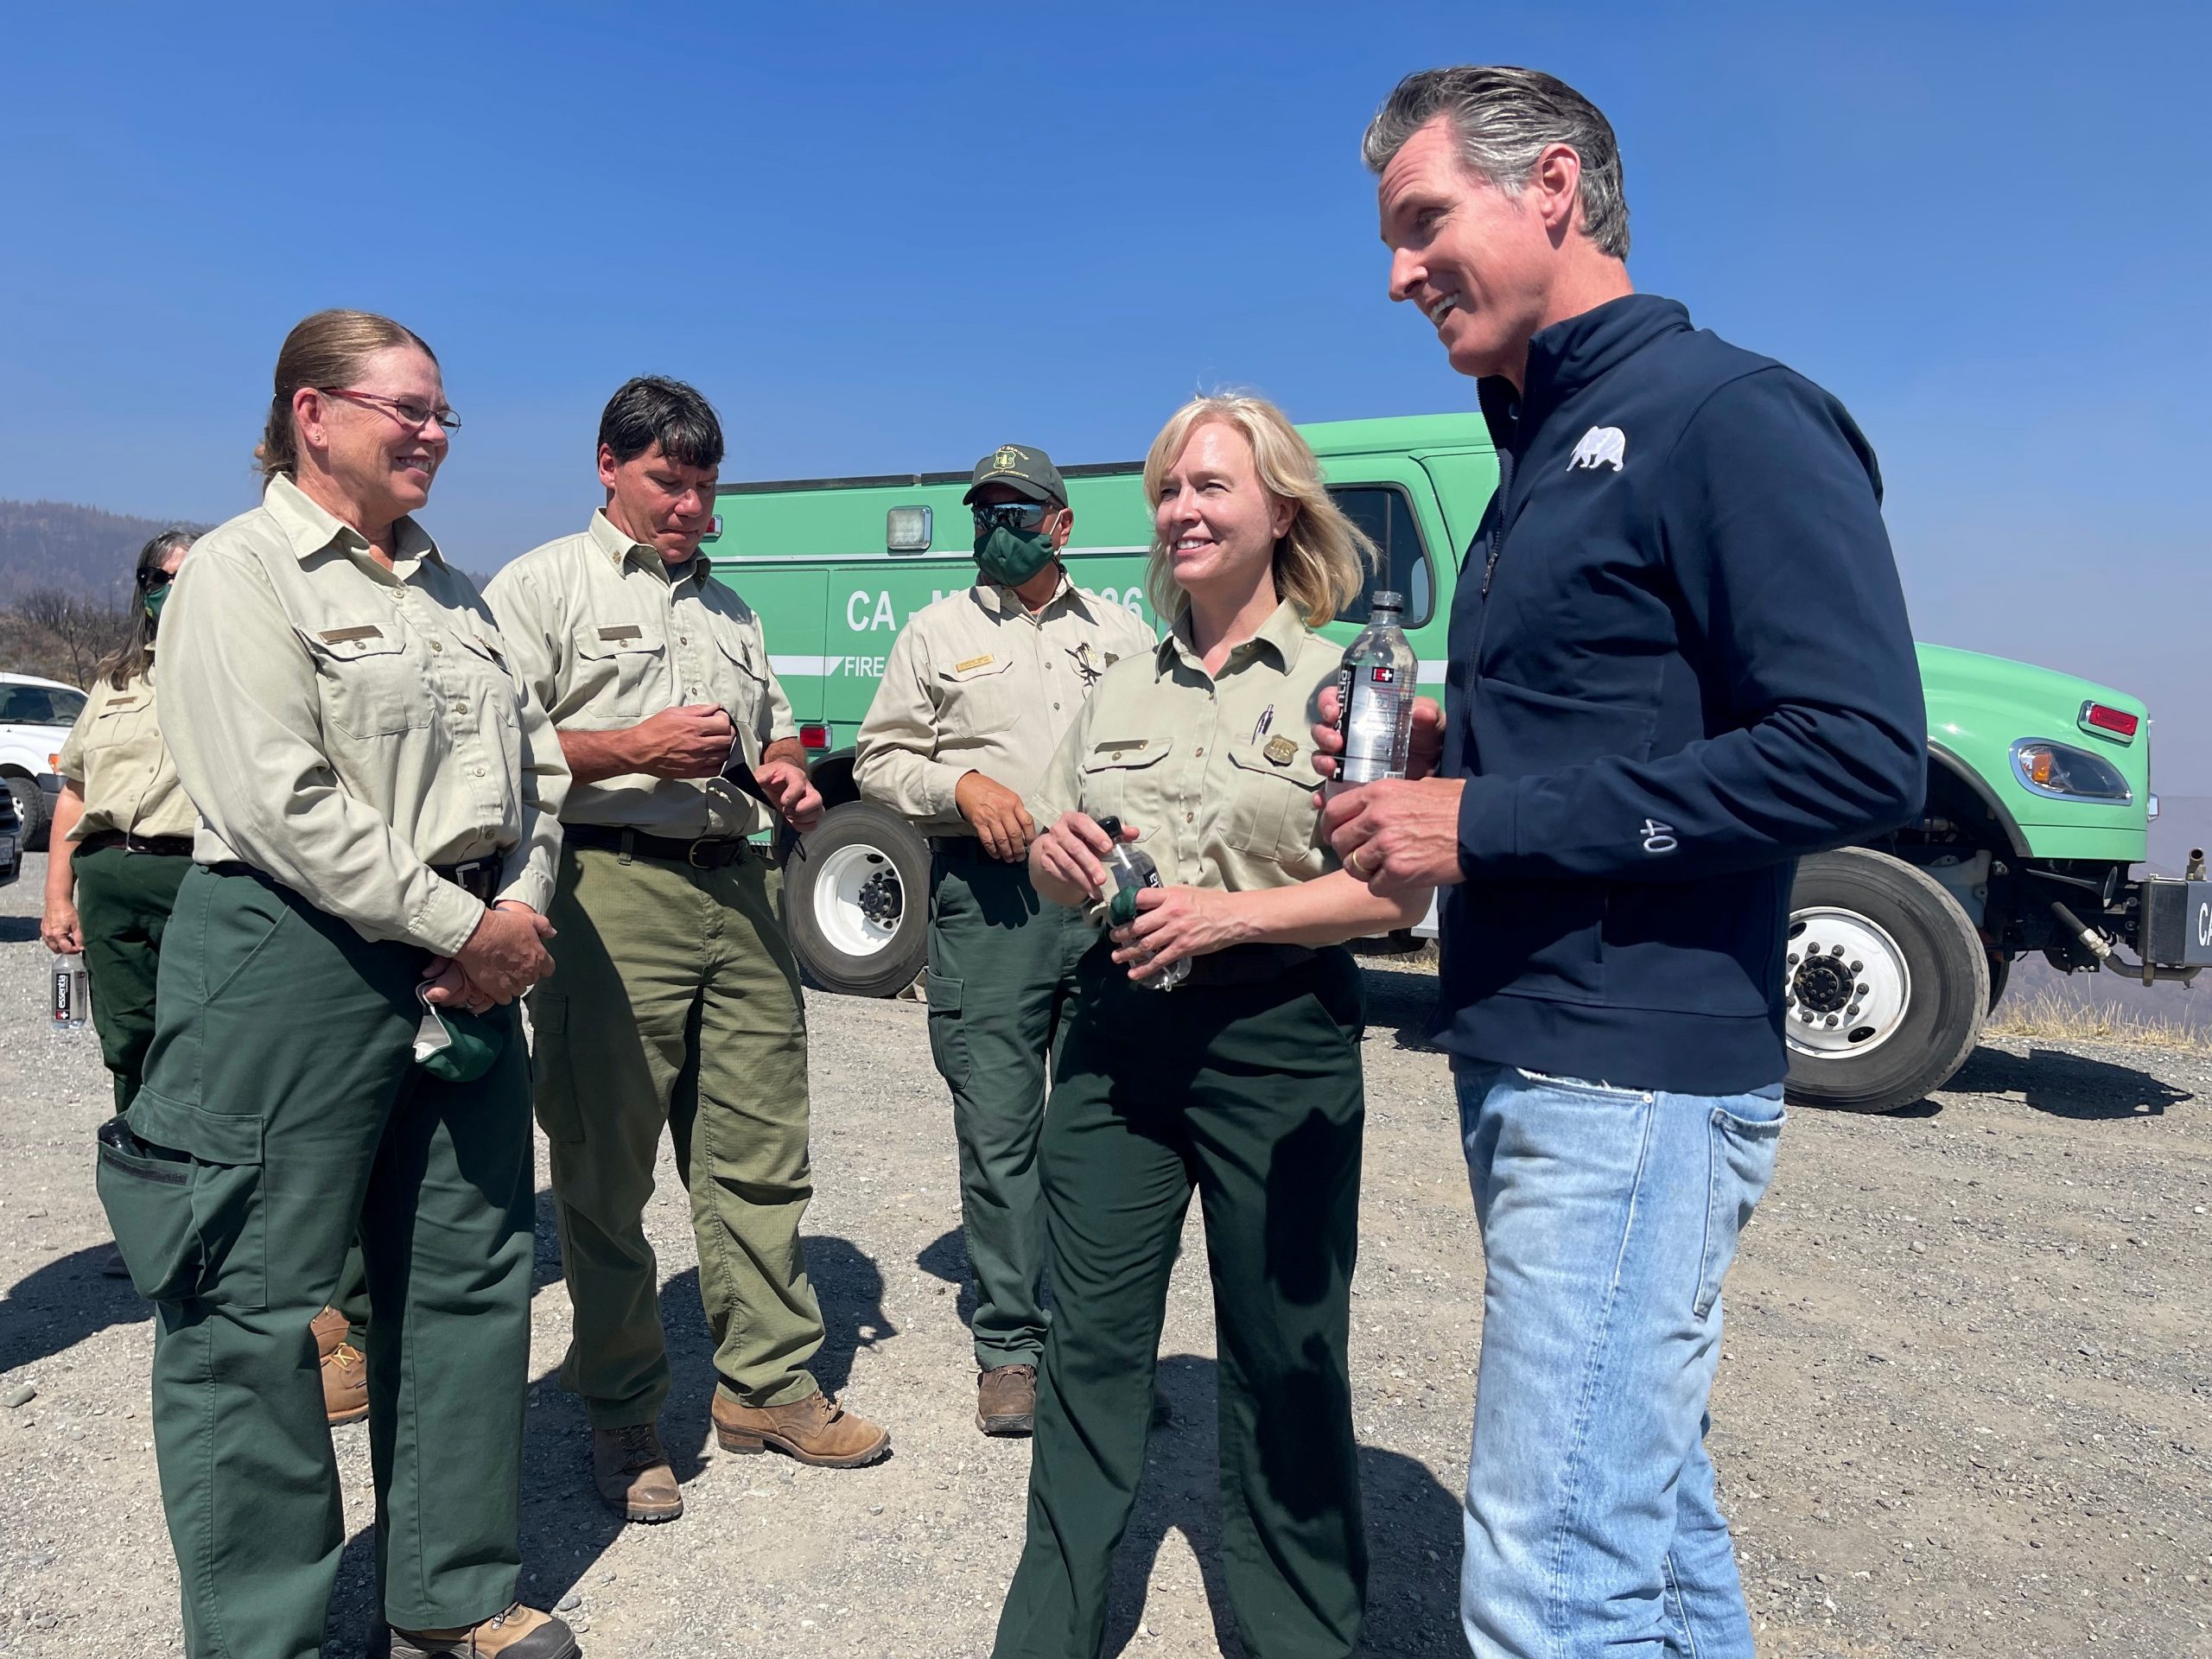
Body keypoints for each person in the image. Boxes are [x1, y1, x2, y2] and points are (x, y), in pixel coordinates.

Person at [1317, 68, 1926, 1658]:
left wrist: (1482, 823)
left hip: (1631, 1075)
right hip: (1538, 1052)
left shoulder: (1728, 416)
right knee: (1649, 1524)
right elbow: (1625, 715)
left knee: (1552, 1578)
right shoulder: (1541, 445)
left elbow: (1858, 750)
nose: (1400, 274)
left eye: (1423, 223)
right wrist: (1449, 741)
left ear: (1555, 188)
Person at [98, 308, 576, 1659]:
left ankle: (449, 1592)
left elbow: (536, 774)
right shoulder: (241, 574)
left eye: (442, 414)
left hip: (468, 966)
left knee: (469, 1280)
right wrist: (461, 924)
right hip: (293, 957)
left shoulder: (455, 593)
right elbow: (277, 798)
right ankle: (268, 1636)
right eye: (406, 409)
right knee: (249, 1307)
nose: (434, 434)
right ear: (311, 414)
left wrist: (519, 906)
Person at [993, 395, 1432, 1659]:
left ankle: (1303, 1636)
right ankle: (1048, 1635)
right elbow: (1059, 857)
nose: (1181, 511)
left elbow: (1393, 895)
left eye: (1210, 487)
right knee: (1088, 1356)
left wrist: (1231, 918)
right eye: (1169, 490)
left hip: (1277, 1041)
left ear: (1280, 511)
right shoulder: (1120, 679)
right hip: (1117, 1043)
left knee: (1287, 1360)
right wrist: (1060, 861)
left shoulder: (1347, 685)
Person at [486, 375, 889, 1525]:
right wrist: (631, 747)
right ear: (607, 466)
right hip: (608, 889)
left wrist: (787, 780)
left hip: (740, 885)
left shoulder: (732, 613)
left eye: (706, 485)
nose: (691, 505)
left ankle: (767, 1385)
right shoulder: (539, 588)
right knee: (607, 1173)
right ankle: (621, 1409)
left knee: (761, 1153)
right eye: (669, 481)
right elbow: (493, 749)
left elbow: (771, 740)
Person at [854, 442, 1153, 1436]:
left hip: (1100, 902)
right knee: (998, 1132)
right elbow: (879, 759)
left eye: (1016, 512)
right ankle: (1012, 1347)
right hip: (989, 907)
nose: (995, 528)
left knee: (1110, 1129)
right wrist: (960, 786)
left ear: (1060, 525)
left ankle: (1098, 1348)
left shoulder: (1122, 634)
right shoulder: (935, 632)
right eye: (982, 511)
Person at [43, 528, 374, 1427]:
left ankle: (293, 1274)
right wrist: (59, 894)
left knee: (241, 1073)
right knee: (133, 1055)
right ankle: (165, 1228)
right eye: (159, 578)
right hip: (113, 874)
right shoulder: (116, 681)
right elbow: (75, 792)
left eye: (186, 578)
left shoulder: (245, 653)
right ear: (142, 586)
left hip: (202, 876)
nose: (171, 591)